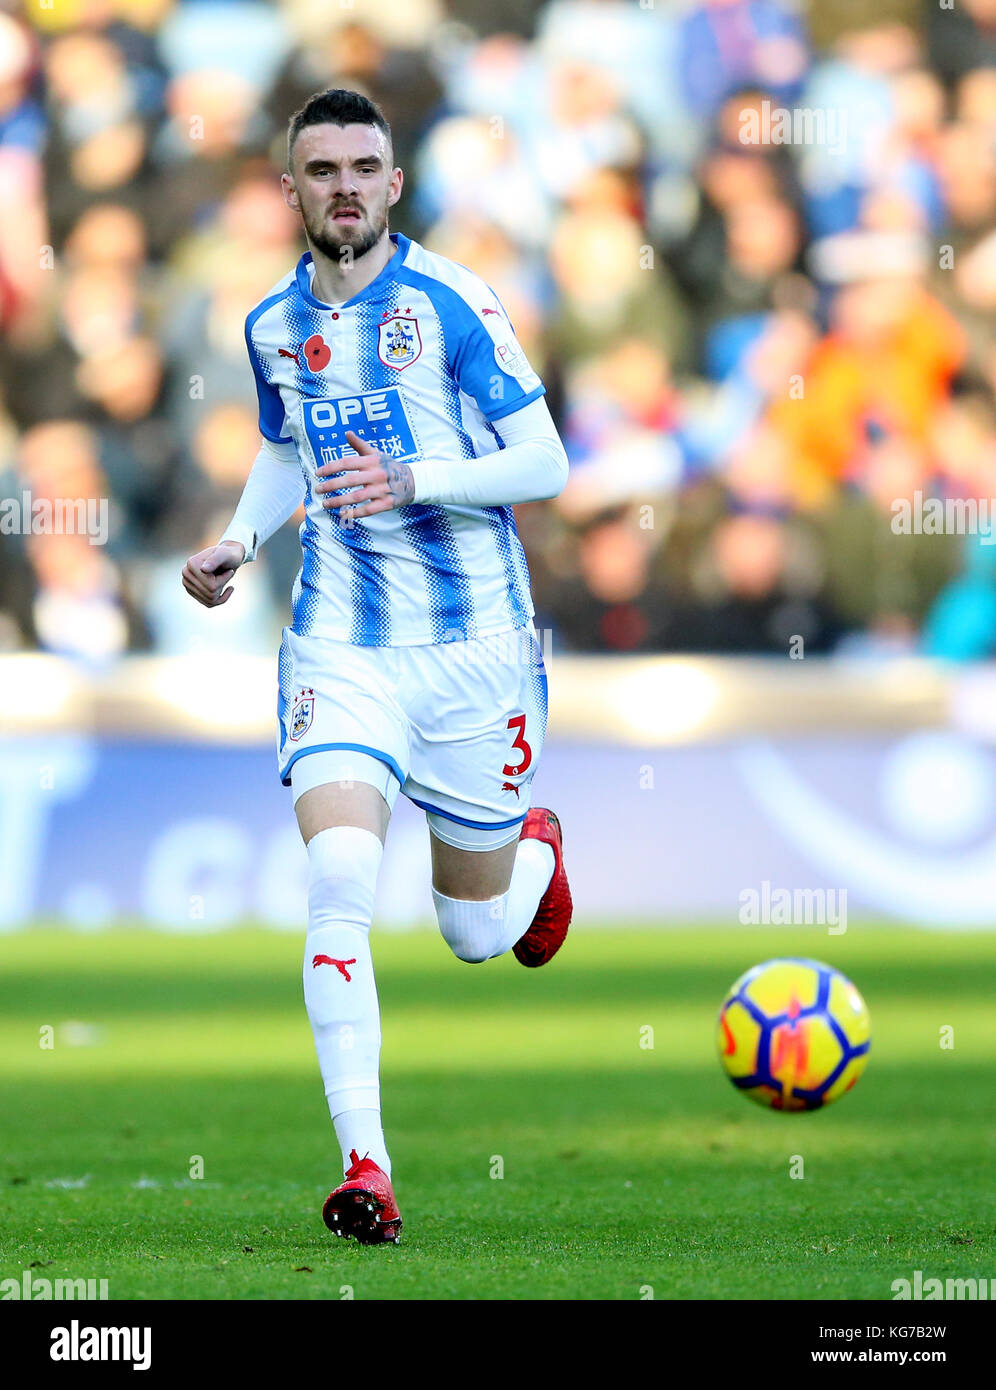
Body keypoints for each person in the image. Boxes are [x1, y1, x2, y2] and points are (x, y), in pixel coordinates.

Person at [181, 89, 573, 1245]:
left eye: (364, 165)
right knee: (340, 883)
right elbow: (278, 449)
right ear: (290, 188)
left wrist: (419, 481)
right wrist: (240, 542)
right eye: (322, 168)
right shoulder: (267, 326)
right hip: (339, 646)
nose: (344, 184)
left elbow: (545, 461)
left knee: (471, 932)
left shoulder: (454, 300)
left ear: (394, 185)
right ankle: (368, 1164)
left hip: (474, 650)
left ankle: (532, 857)